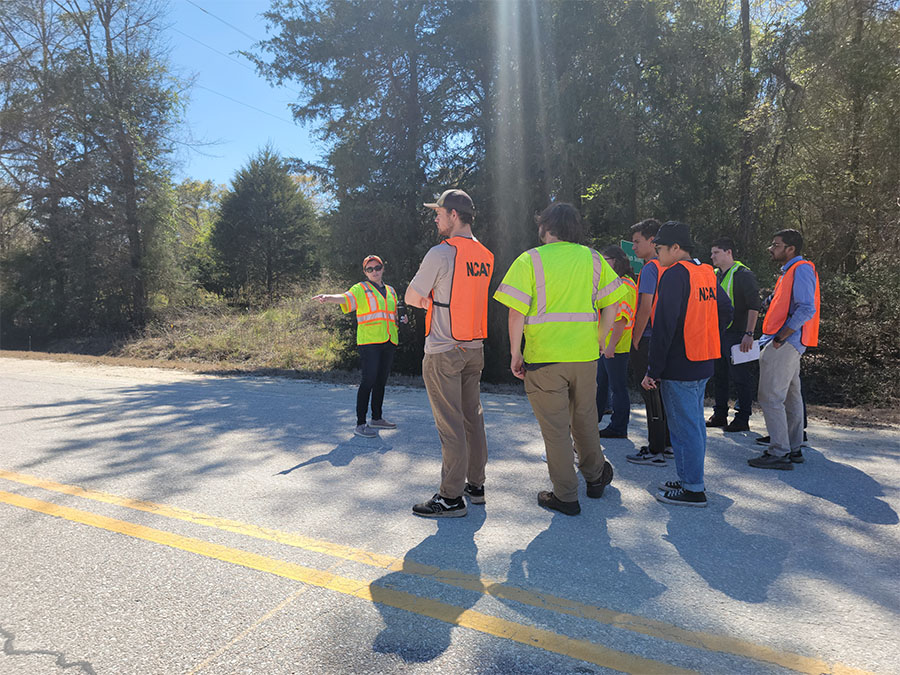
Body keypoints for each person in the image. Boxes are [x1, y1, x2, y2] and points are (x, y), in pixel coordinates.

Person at [494, 203, 625, 516]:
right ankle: (595, 479)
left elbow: (516, 312)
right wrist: (600, 339)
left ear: (545, 227)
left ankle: (566, 496)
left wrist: (516, 352)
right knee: (585, 420)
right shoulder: (593, 258)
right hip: (585, 357)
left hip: (545, 359)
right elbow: (612, 305)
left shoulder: (530, 259)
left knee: (555, 430)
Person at [405, 189, 493, 518]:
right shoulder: (485, 254)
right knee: (473, 418)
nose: (436, 217)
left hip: (444, 349)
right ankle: (476, 485)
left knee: (451, 425)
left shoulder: (441, 253)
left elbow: (412, 297)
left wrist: (430, 302)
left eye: (439, 212)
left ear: (454, 215)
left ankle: (451, 497)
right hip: (474, 348)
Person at [642, 221, 732, 507]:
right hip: (704, 359)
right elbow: (726, 309)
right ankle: (687, 478)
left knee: (684, 428)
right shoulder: (706, 272)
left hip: (680, 364)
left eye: (659, 249)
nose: (657, 255)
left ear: (675, 248)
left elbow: (664, 326)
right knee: (693, 426)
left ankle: (693, 488)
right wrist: (704, 331)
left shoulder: (674, 275)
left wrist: (652, 370)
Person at [313, 255, 407, 438]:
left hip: (389, 340)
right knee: (368, 381)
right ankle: (360, 424)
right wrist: (328, 297)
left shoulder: (391, 291)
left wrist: (402, 319)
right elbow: (345, 298)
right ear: (365, 272)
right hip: (369, 342)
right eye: (369, 269)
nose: (374, 271)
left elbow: (393, 314)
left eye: (377, 267)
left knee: (381, 381)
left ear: (383, 268)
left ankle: (377, 418)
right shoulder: (360, 289)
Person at [749, 229, 819, 470]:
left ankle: (779, 452)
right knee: (790, 396)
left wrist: (780, 337)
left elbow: (806, 309)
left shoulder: (800, 270)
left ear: (790, 249)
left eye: (776, 244)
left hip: (785, 344)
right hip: (787, 343)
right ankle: (793, 447)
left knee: (770, 397)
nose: (771, 248)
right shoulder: (790, 272)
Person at [627, 219, 671, 466]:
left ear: (652, 241)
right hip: (665, 339)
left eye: (637, 241)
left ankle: (656, 450)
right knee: (661, 394)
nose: (633, 247)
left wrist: (635, 338)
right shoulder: (671, 267)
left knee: (650, 394)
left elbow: (645, 306)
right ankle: (667, 444)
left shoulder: (650, 269)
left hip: (647, 339)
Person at [707, 237, 761, 432]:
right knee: (719, 375)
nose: (712, 256)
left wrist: (749, 333)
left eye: (716, 252)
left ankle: (742, 418)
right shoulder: (713, 275)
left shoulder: (743, 275)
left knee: (740, 377)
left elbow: (754, 305)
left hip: (738, 334)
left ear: (728, 252)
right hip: (718, 334)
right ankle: (719, 414)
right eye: (712, 252)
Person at [597, 245, 637, 439]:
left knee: (617, 389)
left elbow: (622, 319)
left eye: (606, 260)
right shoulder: (616, 283)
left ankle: (619, 427)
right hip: (608, 345)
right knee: (601, 385)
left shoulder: (625, 285)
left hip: (616, 346)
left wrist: (611, 345)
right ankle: (591, 422)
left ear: (617, 261)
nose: (603, 264)